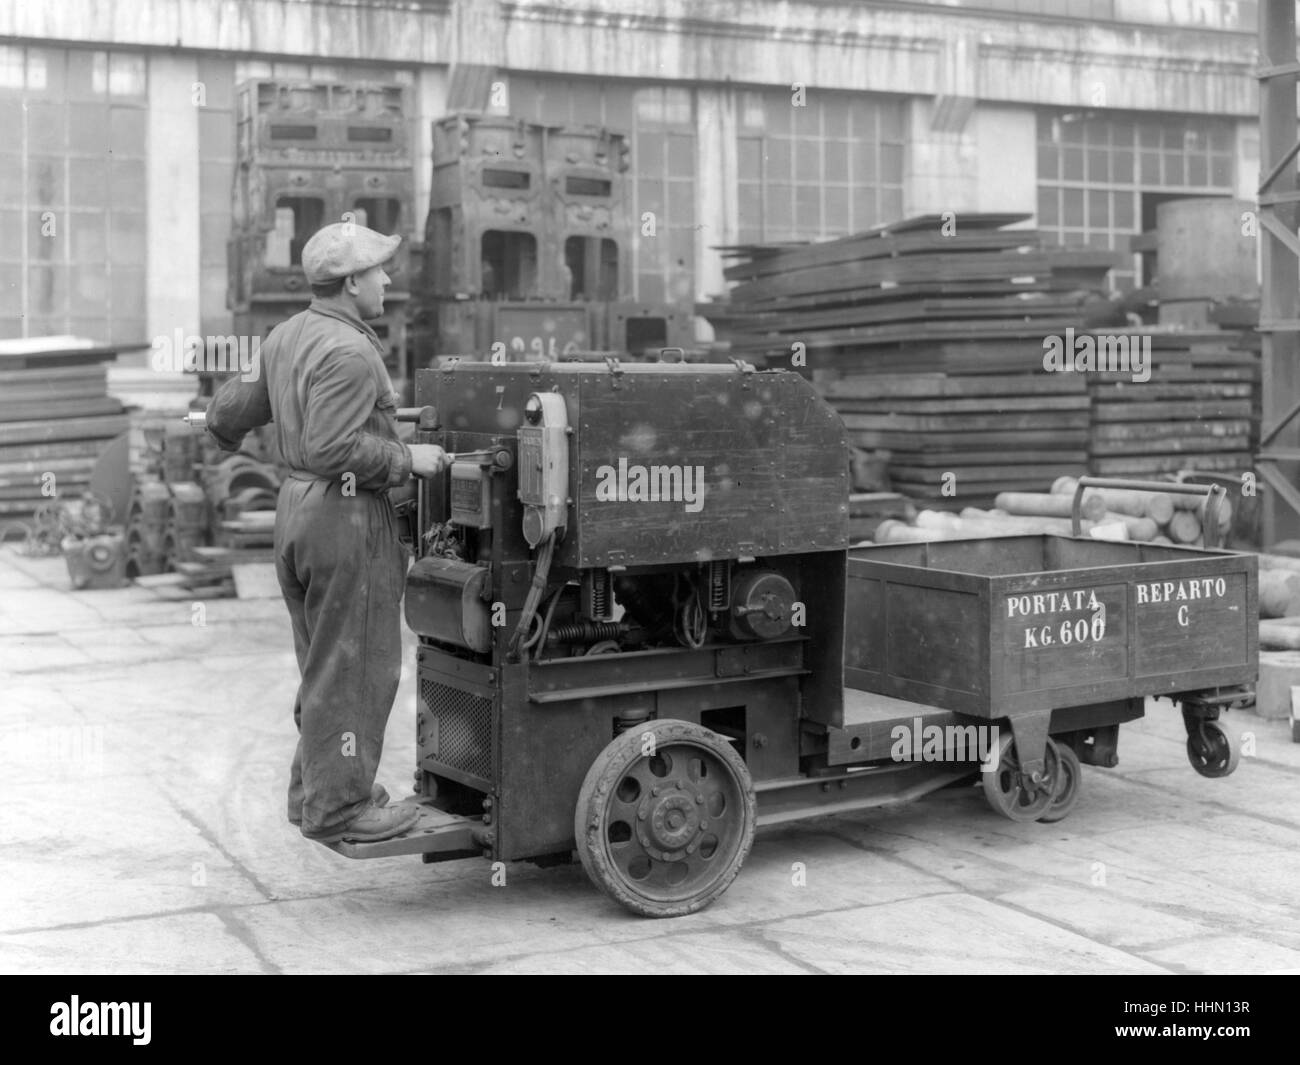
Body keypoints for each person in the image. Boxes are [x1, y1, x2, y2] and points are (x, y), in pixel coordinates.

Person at [205, 221, 448, 844]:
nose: (387, 280)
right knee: (358, 666)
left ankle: (312, 794)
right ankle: (342, 810)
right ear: (349, 284)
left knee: (323, 662)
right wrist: (407, 460)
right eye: (377, 272)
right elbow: (332, 445)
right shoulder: (351, 351)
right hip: (344, 518)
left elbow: (231, 411)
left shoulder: (286, 336)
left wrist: (222, 428)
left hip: (295, 515)